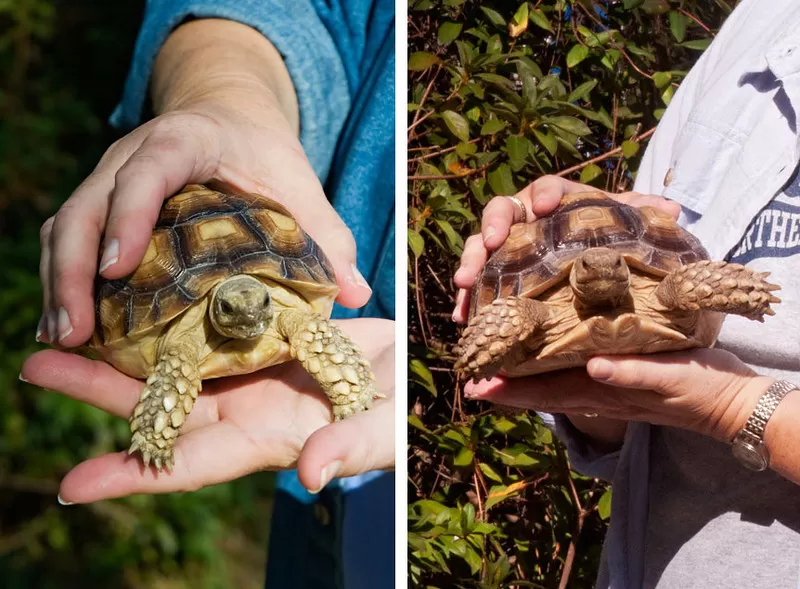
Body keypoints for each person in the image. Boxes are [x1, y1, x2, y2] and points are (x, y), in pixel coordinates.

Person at [20, 2, 395, 588]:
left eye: (255, 305)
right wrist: (223, 90)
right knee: (182, 365)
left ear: (270, 299)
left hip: (337, 500)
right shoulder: (196, 332)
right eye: (233, 307)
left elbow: (314, 333)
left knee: (317, 340)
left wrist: (351, 393)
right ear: (216, 308)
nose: (245, 315)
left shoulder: (289, 309)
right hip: (317, 530)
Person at [454, 0, 800, 586]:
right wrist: (595, 399)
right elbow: (628, 433)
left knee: (689, 285)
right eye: (593, 266)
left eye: (610, 265)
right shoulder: (761, 21)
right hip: (658, 565)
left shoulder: (669, 293)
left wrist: (736, 407)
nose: (601, 271)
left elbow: (692, 285)